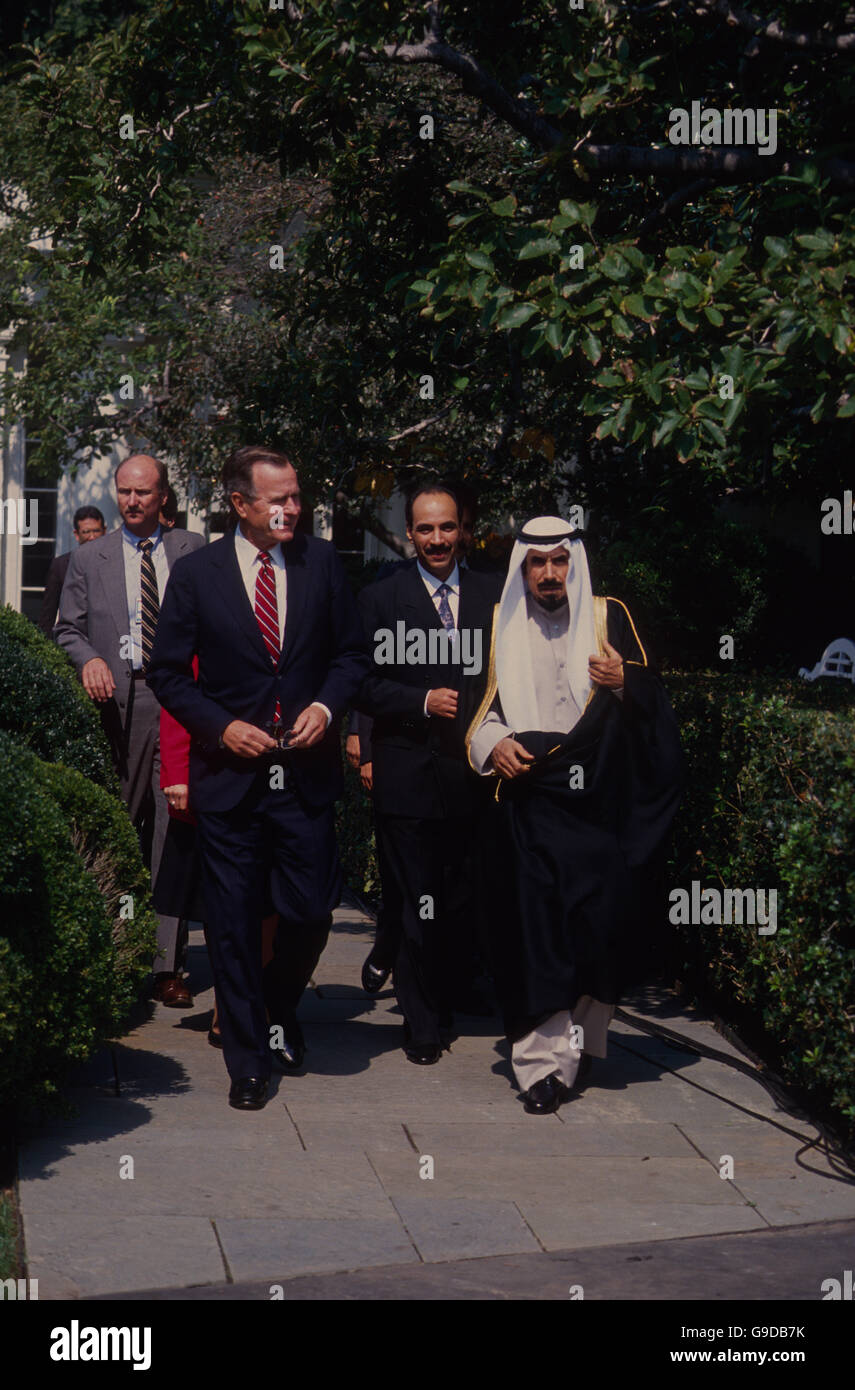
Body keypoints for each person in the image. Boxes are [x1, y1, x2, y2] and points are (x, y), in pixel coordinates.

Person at [146, 444, 369, 1111]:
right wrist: (218, 726)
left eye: (296, 496)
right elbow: (164, 672)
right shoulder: (197, 574)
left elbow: (352, 654)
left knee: (308, 908)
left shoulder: (322, 563)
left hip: (303, 775)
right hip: (230, 779)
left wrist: (327, 708)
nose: (292, 509)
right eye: (279, 499)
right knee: (234, 924)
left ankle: (276, 1010)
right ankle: (248, 1059)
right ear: (240, 504)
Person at [466, 515, 686, 1114]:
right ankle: (541, 1067)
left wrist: (624, 684)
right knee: (536, 929)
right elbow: (476, 708)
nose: (548, 574)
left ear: (574, 564)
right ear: (522, 568)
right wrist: (494, 744)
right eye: (536, 563)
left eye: (559, 561)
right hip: (530, 799)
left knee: (600, 925)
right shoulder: (496, 622)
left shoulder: (609, 616)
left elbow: (653, 703)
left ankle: (582, 1041)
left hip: (598, 804)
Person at [354, 481, 500, 1064]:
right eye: (424, 529)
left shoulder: (493, 597)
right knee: (415, 899)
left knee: (460, 899)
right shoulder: (382, 598)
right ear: (409, 534)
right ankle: (420, 1023)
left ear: (462, 530)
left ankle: (449, 996)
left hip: (472, 776)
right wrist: (418, 702)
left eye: (447, 528)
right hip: (407, 772)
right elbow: (360, 681)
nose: (437, 540)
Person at [55, 456, 204, 1005]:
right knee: (119, 826)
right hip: (122, 704)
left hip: (183, 703)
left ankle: (167, 965)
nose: (133, 501)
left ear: (163, 495)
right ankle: (113, 952)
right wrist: (89, 659)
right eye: (124, 492)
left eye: (143, 492)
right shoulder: (89, 558)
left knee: (175, 827)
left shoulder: (193, 550)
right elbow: (66, 628)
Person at [38, 506, 106, 637]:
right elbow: (48, 616)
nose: (92, 537)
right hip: (72, 644)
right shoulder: (60, 566)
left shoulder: (116, 562)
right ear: (76, 535)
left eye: (96, 531)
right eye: (86, 532)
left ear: (104, 531)